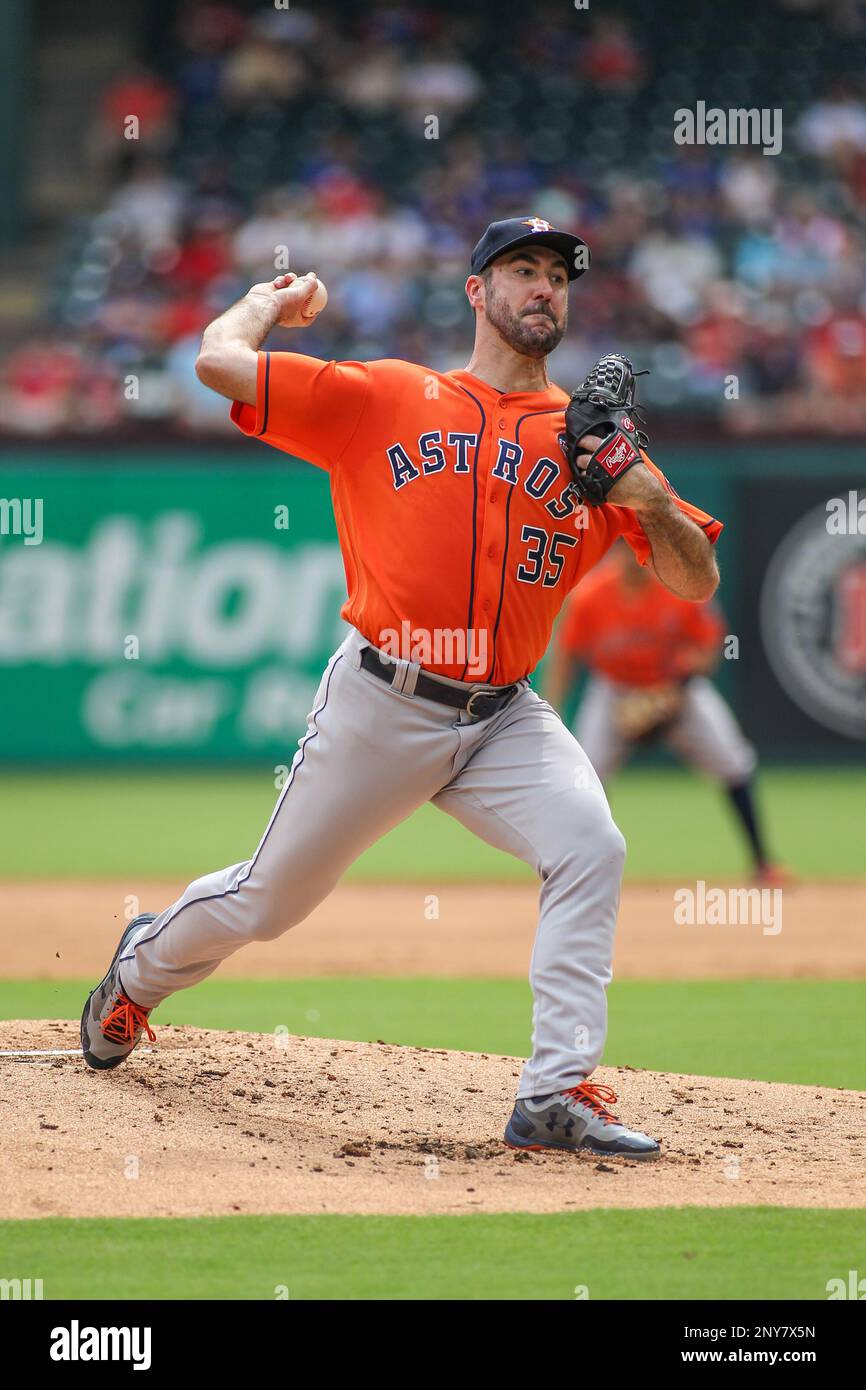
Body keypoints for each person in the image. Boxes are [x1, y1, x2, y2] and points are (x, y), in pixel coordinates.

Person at [81, 216, 722, 1161]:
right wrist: (264, 303)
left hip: (505, 714)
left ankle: (553, 1094)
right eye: (521, 271)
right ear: (477, 292)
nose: (543, 287)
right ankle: (138, 970)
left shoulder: (594, 447)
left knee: (593, 844)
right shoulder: (388, 395)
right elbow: (218, 366)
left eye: (557, 275)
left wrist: (643, 497)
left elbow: (696, 579)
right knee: (270, 901)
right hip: (384, 700)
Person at [544, 542, 788, 886]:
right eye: (625, 550)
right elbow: (567, 655)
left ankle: (763, 863)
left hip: (677, 691)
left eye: (640, 552)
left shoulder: (680, 589)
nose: (633, 559)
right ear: (613, 555)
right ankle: (581, 871)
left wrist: (676, 687)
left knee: (734, 760)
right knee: (585, 775)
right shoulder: (591, 596)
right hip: (615, 690)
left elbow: (708, 649)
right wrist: (552, 709)